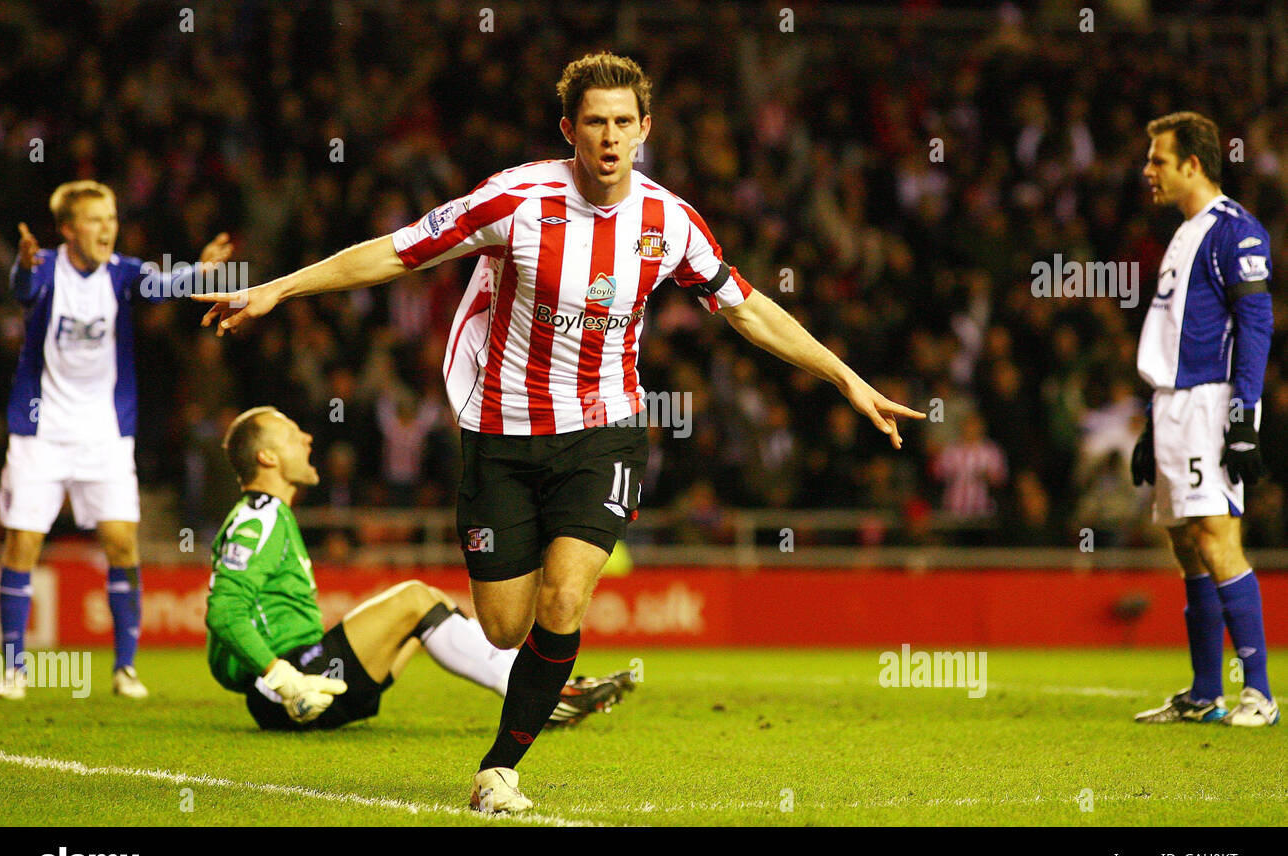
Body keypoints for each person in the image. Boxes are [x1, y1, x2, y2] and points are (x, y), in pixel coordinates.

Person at [195, 52, 925, 811]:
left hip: (601, 429)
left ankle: (501, 768)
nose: (610, 138)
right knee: (506, 627)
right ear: (568, 129)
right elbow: (397, 249)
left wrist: (847, 377)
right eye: (595, 123)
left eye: (623, 123)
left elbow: (746, 307)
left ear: (645, 129)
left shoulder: (668, 222)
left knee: (565, 598)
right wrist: (279, 288)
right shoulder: (513, 199)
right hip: (499, 434)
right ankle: (512, 694)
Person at [206, 406, 629, 738]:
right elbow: (224, 611)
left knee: (431, 608)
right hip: (290, 686)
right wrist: (283, 679)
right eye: (290, 434)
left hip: (304, 680)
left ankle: (542, 690)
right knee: (415, 599)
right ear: (267, 457)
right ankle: (541, 694)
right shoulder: (257, 519)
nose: (307, 437)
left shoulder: (266, 516)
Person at [0, 180, 232, 700]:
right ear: (68, 229)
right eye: (96, 219)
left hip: (104, 436)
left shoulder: (122, 272)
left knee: (123, 545)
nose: (108, 228)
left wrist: (201, 270)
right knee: (23, 544)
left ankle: (125, 668)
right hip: (41, 434)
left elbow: (164, 285)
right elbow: (22, 290)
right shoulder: (45, 269)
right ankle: (13, 666)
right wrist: (22, 264)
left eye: (112, 218)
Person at [1131, 112, 1277, 727]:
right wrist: (1150, 422)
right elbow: (1175, 333)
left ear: (1193, 164)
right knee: (1186, 543)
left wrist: (1243, 417)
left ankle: (1260, 695)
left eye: (1158, 160)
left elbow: (1257, 323)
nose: (1148, 171)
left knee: (1218, 539)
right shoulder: (1185, 232)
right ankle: (1203, 692)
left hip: (1211, 403)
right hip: (1173, 404)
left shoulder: (1234, 231)